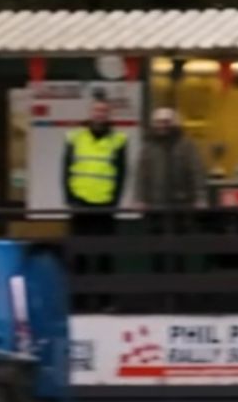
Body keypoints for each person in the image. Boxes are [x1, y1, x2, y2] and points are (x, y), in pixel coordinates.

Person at [138, 107, 210, 273]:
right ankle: (158, 288)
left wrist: (201, 197)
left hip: (180, 207)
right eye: (159, 122)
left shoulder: (186, 145)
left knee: (179, 251)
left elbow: (197, 171)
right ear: (153, 124)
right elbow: (141, 174)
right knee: (156, 250)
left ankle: (179, 291)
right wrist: (140, 198)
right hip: (155, 207)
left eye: (166, 121)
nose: (163, 125)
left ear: (174, 123)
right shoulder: (148, 146)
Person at [62, 99, 128, 276]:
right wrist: (69, 199)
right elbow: (65, 170)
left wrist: (115, 201)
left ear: (108, 115)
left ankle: (105, 300)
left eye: (103, 111)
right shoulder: (76, 138)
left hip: (105, 204)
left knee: (105, 253)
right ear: (90, 113)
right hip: (80, 202)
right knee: (79, 253)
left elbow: (122, 174)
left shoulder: (118, 140)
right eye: (96, 111)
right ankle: (80, 299)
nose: (99, 114)